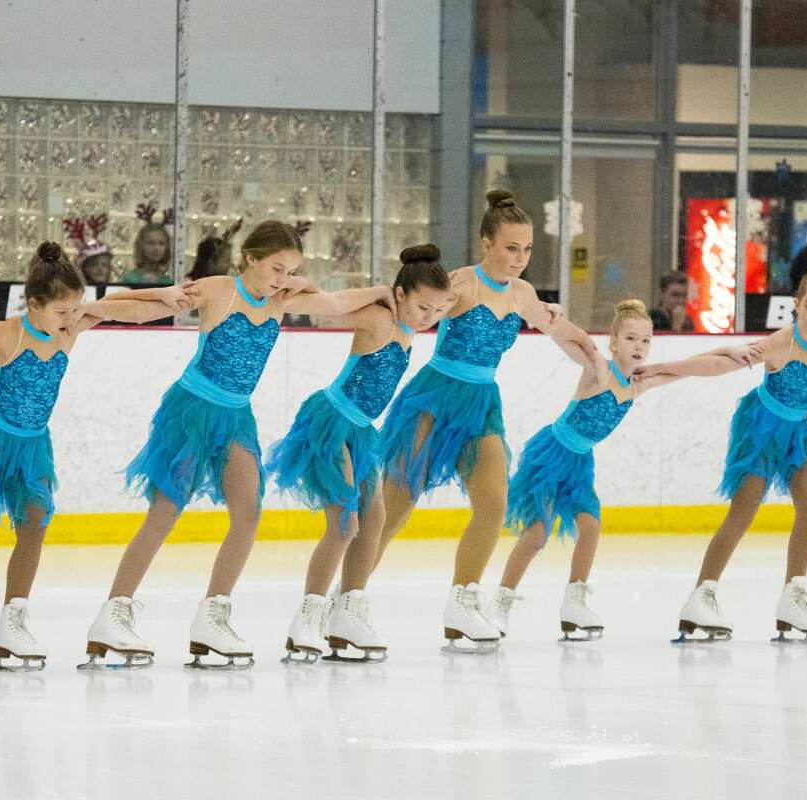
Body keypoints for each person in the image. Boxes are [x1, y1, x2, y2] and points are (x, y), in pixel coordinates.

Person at [80, 220, 398, 671]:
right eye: (276, 268)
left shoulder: (281, 298)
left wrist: (381, 291)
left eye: (290, 271)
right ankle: (112, 614)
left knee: (247, 515)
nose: (282, 279)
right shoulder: (219, 290)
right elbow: (145, 309)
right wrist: (92, 308)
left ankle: (212, 617)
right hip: (192, 411)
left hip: (236, 417)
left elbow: (335, 304)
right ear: (250, 259)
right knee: (165, 510)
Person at [0, 242, 193, 672]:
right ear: (34, 304)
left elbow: (121, 307)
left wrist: (165, 294)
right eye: (62, 311)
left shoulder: (69, 329)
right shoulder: (10, 333)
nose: (72, 318)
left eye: (75, 309)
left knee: (34, 527)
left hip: (33, 446)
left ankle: (12, 622)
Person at [348, 190, 597, 655]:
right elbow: (411, 312)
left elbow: (556, 329)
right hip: (434, 397)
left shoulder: (521, 294)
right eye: (511, 247)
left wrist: (593, 355)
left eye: (527, 249)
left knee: (493, 504)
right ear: (486, 244)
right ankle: (348, 600)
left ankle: (462, 604)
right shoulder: (461, 284)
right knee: (396, 505)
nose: (520, 258)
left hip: (482, 403)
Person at [637, 262, 807, 644]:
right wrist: (663, 367)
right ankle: (701, 596)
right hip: (762, 428)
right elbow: (721, 365)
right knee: (744, 509)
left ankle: (793, 597)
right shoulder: (781, 342)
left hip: (804, 432)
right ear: (796, 304)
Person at [488, 300, 744, 641]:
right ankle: (501, 601)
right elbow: (569, 342)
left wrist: (726, 350)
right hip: (551, 454)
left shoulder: (637, 384)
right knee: (537, 534)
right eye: (631, 339)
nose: (639, 347)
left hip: (580, 462)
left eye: (645, 340)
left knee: (590, 526)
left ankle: (574, 603)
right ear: (614, 343)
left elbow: (692, 368)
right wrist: (549, 317)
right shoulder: (600, 371)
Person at [266, 244, 456, 663]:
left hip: (362, 432)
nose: (428, 318)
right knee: (344, 523)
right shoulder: (380, 318)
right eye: (423, 307)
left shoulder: (408, 327)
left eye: (437, 312)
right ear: (400, 294)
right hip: (331, 422)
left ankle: (347, 613)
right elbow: (326, 306)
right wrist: (369, 291)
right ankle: (307, 618)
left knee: (374, 520)